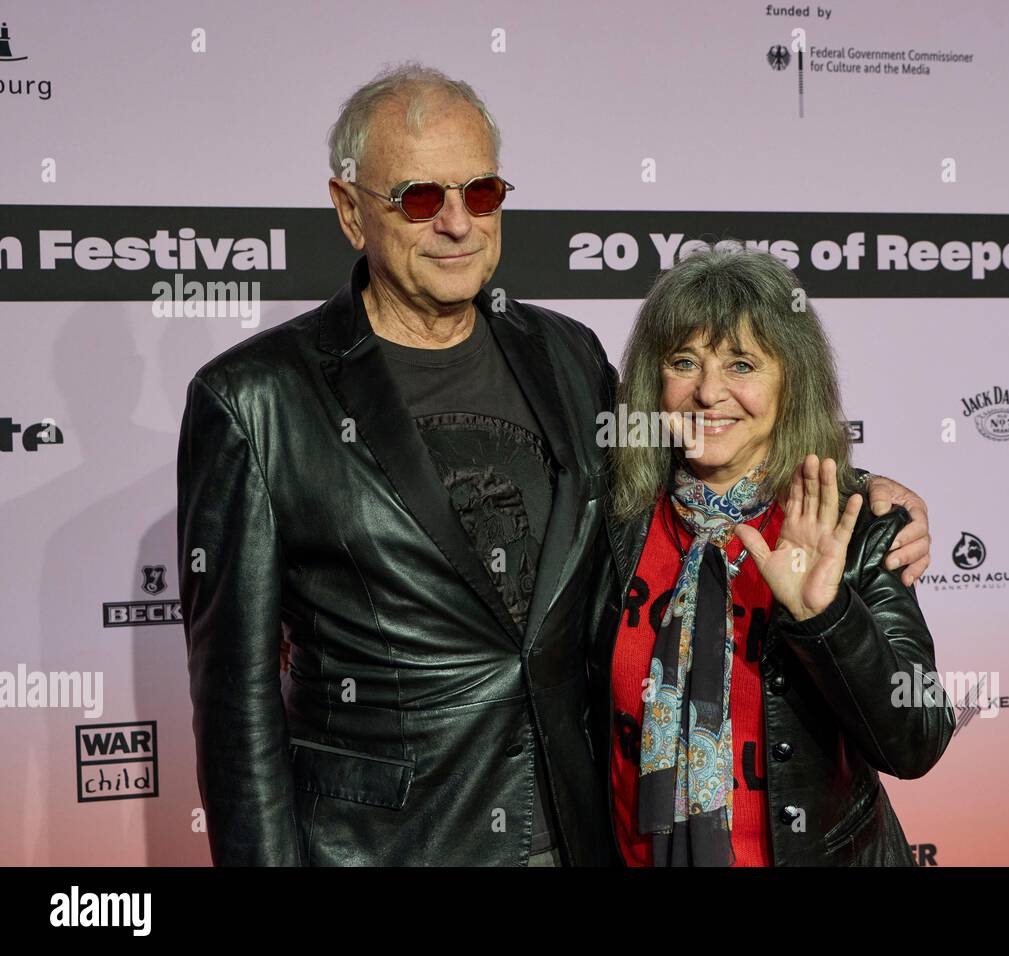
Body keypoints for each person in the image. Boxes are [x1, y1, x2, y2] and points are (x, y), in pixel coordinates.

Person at [177, 63, 933, 866]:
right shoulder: (257, 400)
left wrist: (869, 495)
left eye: (481, 192)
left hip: (583, 834)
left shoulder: (567, 357)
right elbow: (236, 710)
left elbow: (695, 462)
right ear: (349, 209)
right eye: (421, 198)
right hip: (391, 845)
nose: (458, 224)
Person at [588, 246, 955, 866]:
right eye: (684, 362)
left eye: (742, 364)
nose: (709, 392)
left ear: (793, 383)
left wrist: (827, 618)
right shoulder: (612, 518)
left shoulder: (854, 526)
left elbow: (916, 741)